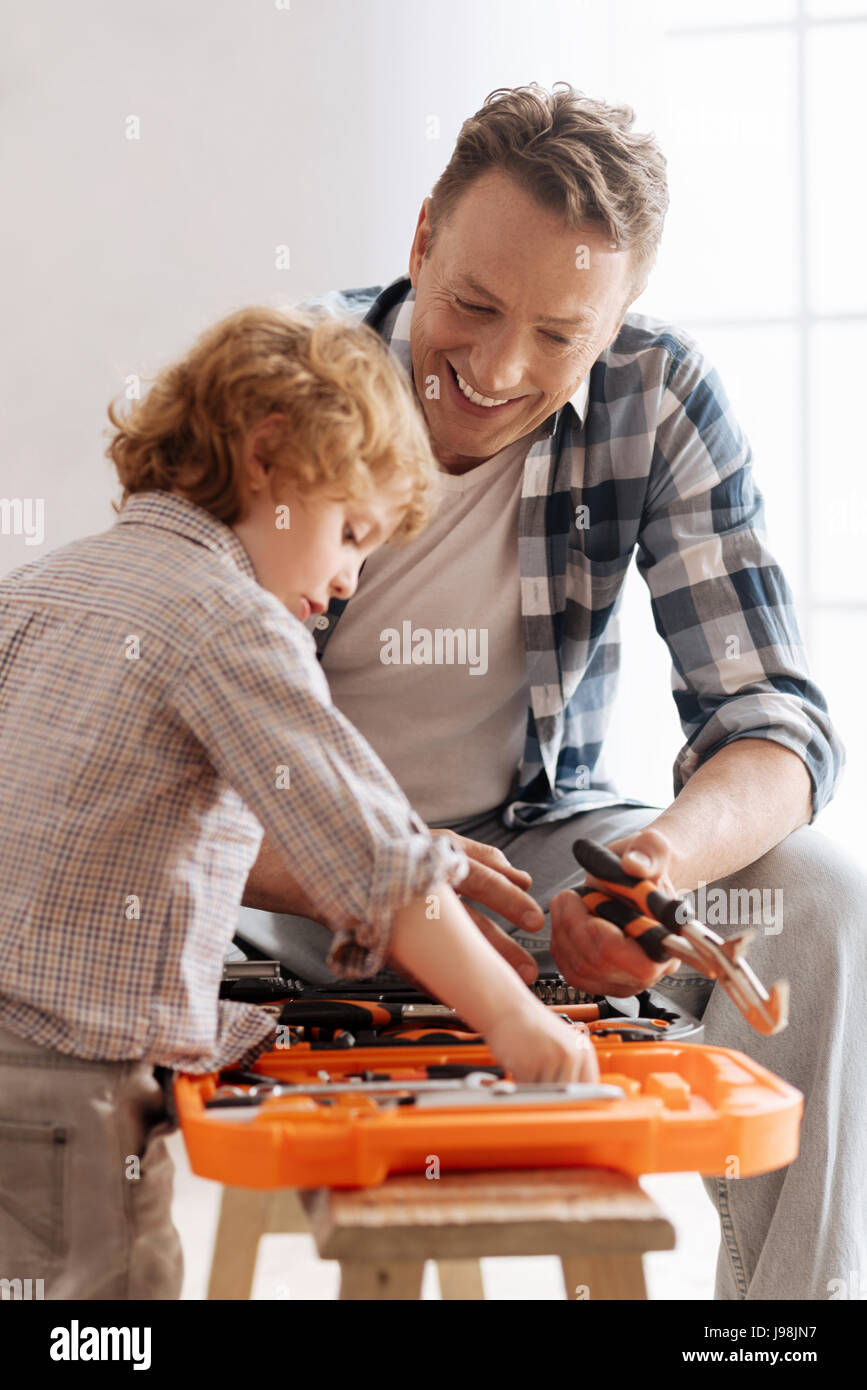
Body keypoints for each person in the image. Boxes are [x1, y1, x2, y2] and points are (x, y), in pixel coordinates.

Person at [235, 84, 867, 1301]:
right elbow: (159, 758)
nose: (498, 367)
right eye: (470, 304)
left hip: (525, 861)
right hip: (277, 876)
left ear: (620, 319)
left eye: (560, 335)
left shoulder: (661, 394)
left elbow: (776, 723)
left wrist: (653, 872)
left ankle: (783, 1326)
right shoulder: (279, 382)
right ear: (421, 239)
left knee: (822, 902)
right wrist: (387, 879)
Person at [0, 305, 594, 1301]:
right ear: (267, 455)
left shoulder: (37, 588)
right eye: (352, 532)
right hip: (77, 1080)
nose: (348, 577)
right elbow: (374, 857)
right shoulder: (230, 619)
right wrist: (519, 1020)